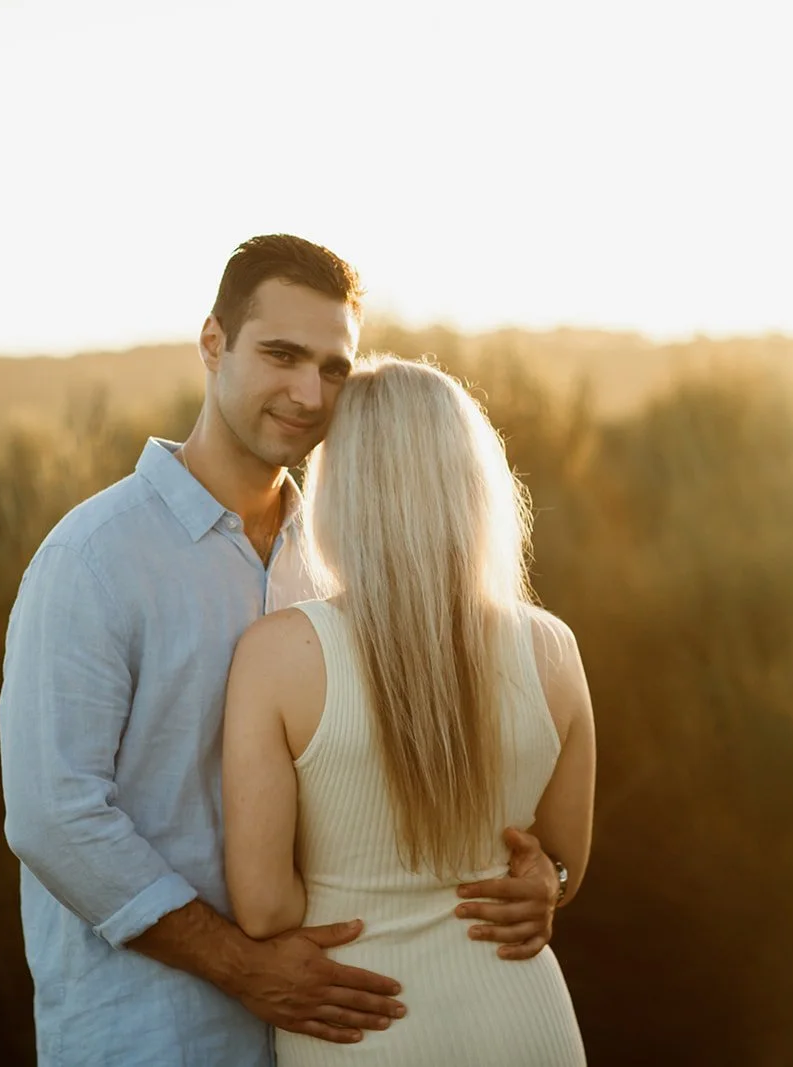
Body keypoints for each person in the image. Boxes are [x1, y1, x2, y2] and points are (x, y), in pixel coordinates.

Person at [0, 235, 565, 1067]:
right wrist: (243, 969)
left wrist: (537, 874)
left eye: (335, 368)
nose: (309, 394)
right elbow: (54, 815)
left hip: (335, 1033)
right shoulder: (95, 558)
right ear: (213, 343)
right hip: (152, 1032)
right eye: (282, 354)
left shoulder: (343, 563)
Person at [221, 355, 596, 1065]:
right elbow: (564, 865)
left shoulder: (279, 653)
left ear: (344, 491)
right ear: (474, 487)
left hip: (359, 1021)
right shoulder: (552, 647)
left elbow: (265, 908)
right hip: (526, 1017)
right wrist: (550, 881)